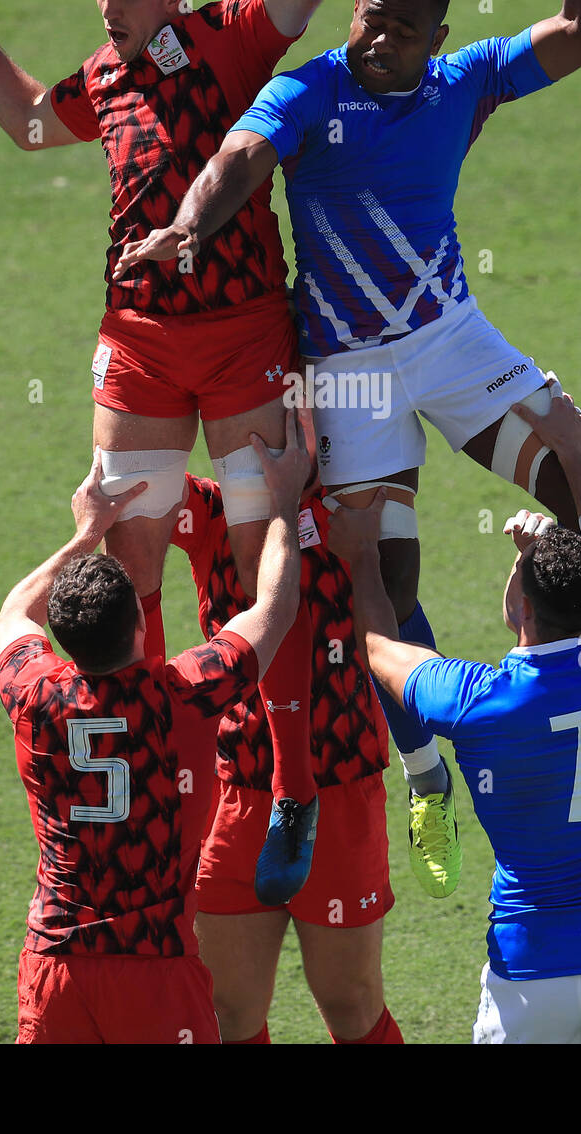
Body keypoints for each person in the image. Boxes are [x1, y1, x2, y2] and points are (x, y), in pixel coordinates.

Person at [115, 0, 581, 894]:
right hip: (346, 367)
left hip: (451, 343)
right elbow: (241, 154)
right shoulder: (312, 92)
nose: (376, 37)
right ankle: (430, 772)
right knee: (376, 580)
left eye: (399, 27)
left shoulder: (465, 83)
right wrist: (197, 221)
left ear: (436, 36)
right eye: (367, 18)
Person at [0, 0, 419, 901]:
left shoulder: (226, 41)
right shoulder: (104, 79)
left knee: (278, 552)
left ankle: (295, 785)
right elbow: (24, 121)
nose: (105, 4)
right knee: (129, 552)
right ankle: (170, 789)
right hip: (141, 344)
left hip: (249, 331)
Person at [327, 390, 581, 1043]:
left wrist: (360, 550)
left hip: (529, 977)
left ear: (519, 612)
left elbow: (378, 645)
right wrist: (568, 446)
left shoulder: (476, 699)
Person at [0, 415, 312, 1043]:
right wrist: (282, 505)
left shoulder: (36, 694)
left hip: (56, 968)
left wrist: (87, 533)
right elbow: (274, 608)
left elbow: (12, 610)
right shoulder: (184, 694)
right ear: (140, 627)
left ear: (63, 640)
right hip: (154, 972)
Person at [168, 429, 402, 1044]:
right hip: (235, 793)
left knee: (351, 1004)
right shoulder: (211, 510)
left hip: (342, 789)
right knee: (226, 1011)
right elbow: (127, 480)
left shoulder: (357, 507)